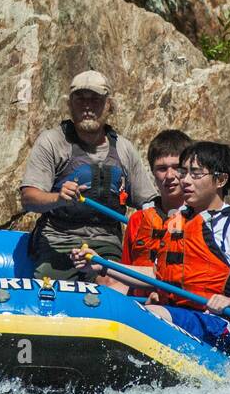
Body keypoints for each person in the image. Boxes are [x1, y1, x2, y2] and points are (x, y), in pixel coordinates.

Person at [78, 141, 230, 354]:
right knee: (122, 309)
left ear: (220, 180)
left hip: (216, 324)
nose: (186, 181)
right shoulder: (178, 222)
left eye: (196, 174)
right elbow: (156, 274)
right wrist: (102, 266)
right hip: (177, 313)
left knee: (145, 314)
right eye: (185, 173)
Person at [19, 70, 155, 280]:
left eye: (95, 100)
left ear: (109, 105)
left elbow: (148, 203)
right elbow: (29, 198)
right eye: (80, 99)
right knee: (51, 292)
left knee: (110, 282)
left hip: (107, 245)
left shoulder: (124, 149)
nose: (87, 106)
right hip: (59, 243)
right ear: (69, 104)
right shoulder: (52, 142)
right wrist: (57, 198)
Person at [118, 129, 192, 296]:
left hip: (180, 309)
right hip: (140, 309)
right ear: (152, 171)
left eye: (176, 167)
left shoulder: (201, 219)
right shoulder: (137, 220)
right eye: (162, 168)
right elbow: (125, 277)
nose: (170, 175)